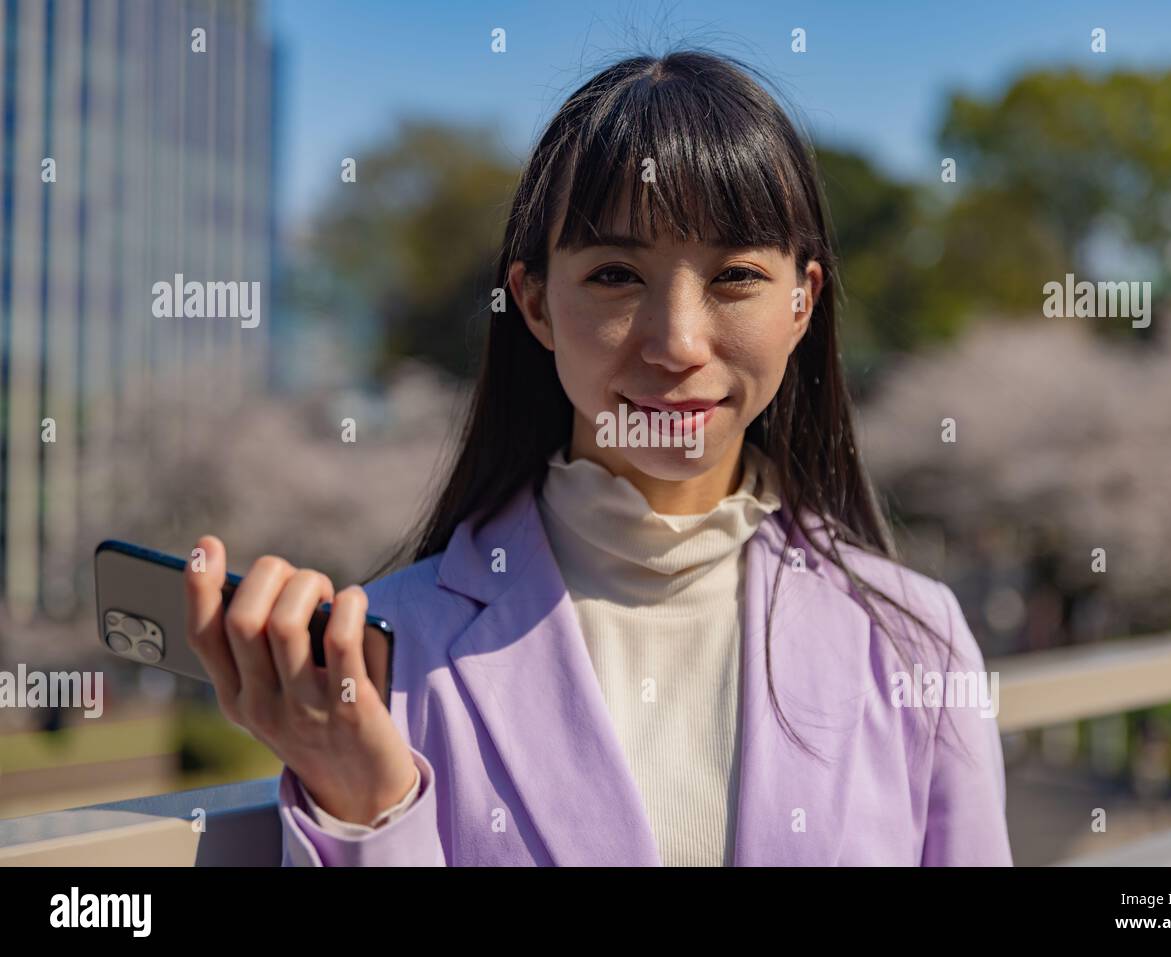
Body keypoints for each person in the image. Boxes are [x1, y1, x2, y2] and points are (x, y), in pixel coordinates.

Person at [184, 49, 1013, 867]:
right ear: (537, 303)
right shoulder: (387, 649)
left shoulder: (917, 640)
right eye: (616, 274)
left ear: (804, 302)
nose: (678, 343)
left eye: (735, 276)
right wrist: (365, 813)